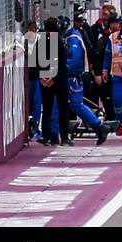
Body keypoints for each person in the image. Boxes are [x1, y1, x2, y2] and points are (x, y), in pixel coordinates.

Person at [65, 17, 109, 144]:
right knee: (73, 105)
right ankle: (98, 126)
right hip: (74, 76)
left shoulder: (73, 38)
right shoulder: (73, 36)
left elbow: (72, 61)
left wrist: (62, 72)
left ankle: (99, 126)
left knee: (75, 104)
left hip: (73, 77)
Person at [38, 17, 69, 146]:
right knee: (63, 109)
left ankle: (46, 137)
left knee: (47, 109)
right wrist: (54, 78)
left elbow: (38, 62)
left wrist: (43, 78)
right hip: (58, 80)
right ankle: (65, 138)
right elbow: (62, 63)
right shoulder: (60, 42)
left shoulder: (42, 41)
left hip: (46, 80)